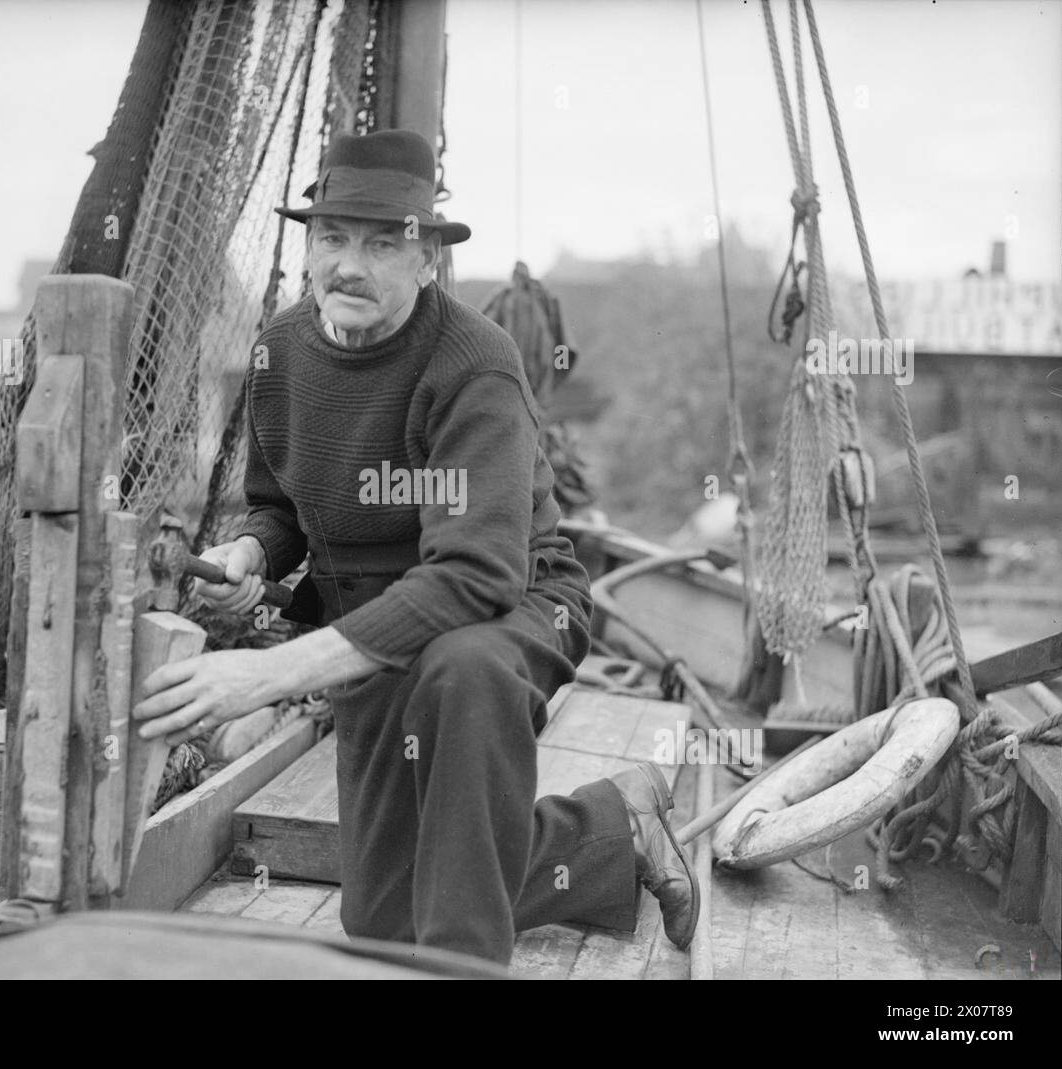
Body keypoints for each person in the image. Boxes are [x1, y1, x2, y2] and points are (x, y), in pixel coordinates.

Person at [134, 129, 697, 967]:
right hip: (375, 625)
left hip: (515, 602)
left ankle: (464, 965)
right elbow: (279, 502)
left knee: (462, 669)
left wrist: (268, 671)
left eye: (381, 241)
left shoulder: (474, 365)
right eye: (332, 237)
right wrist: (253, 550)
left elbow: (475, 574)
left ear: (427, 256)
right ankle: (615, 826)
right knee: (386, 917)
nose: (350, 265)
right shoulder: (280, 355)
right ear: (309, 246)